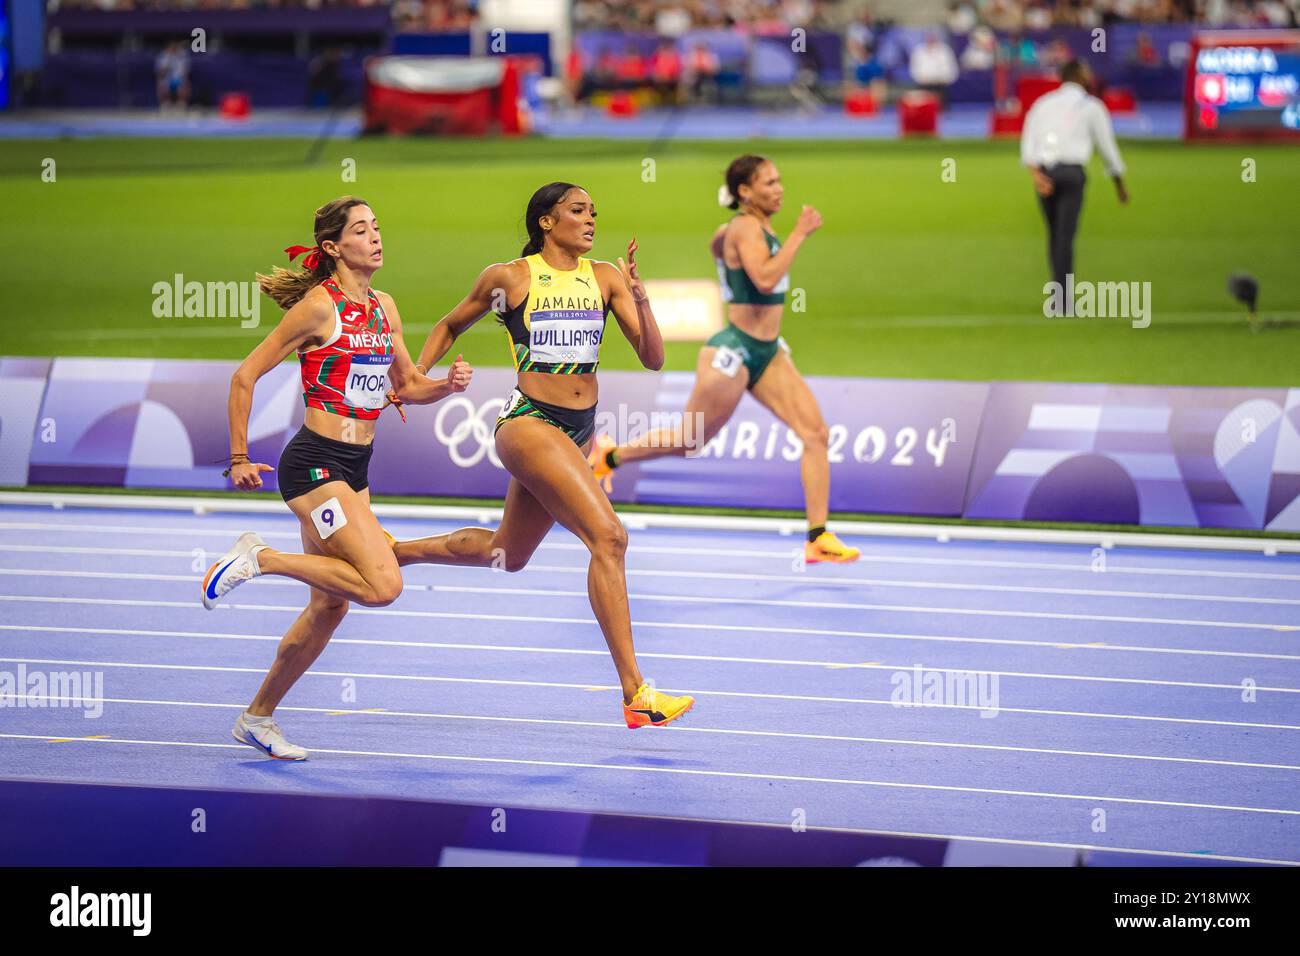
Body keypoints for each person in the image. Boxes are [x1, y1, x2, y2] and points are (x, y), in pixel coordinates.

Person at [387, 182, 697, 729]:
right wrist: (416, 378)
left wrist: (642, 300)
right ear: (546, 222)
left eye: (594, 212)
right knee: (610, 537)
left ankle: (398, 553)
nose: (591, 220)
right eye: (578, 211)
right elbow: (450, 324)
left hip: (578, 431)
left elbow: (652, 358)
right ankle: (635, 692)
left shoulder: (606, 277)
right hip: (529, 423)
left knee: (508, 553)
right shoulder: (510, 277)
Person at [202, 196, 473, 759]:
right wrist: (237, 456)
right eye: (361, 230)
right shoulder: (318, 308)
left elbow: (409, 384)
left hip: (355, 470)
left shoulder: (384, 307)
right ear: (332, 247)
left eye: (377, 226)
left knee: (330, 605)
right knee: (383, 585)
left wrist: (445, 385)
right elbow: (244, 375)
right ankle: (261, 557)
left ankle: (257, 717)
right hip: (314, 465)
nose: (376, 237)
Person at [588, 154, 860, 566]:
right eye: (769, 182)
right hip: (733, 351)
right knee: (690, 440)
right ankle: (608, 456)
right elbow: (765, 278)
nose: (779, 188)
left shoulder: (747, 228)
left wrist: (723, 253)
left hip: (767, 351)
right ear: (745, 192)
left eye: (779, 180)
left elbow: (719, 244)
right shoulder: (745, 226)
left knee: (815, 433)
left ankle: (817, 536)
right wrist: (800, 234)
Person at [1020, 58, 1129, 295]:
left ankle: (1058, 291)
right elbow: (1107, 148)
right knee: (1065, 236)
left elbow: (1028, 143)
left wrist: (1036, 176)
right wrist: (1119, 183)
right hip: (1072, 174)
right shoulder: (1091, 106)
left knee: (1054, 234)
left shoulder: (1043, 104)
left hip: (1045, 174)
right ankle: (1063, 298)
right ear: (1081, 77)